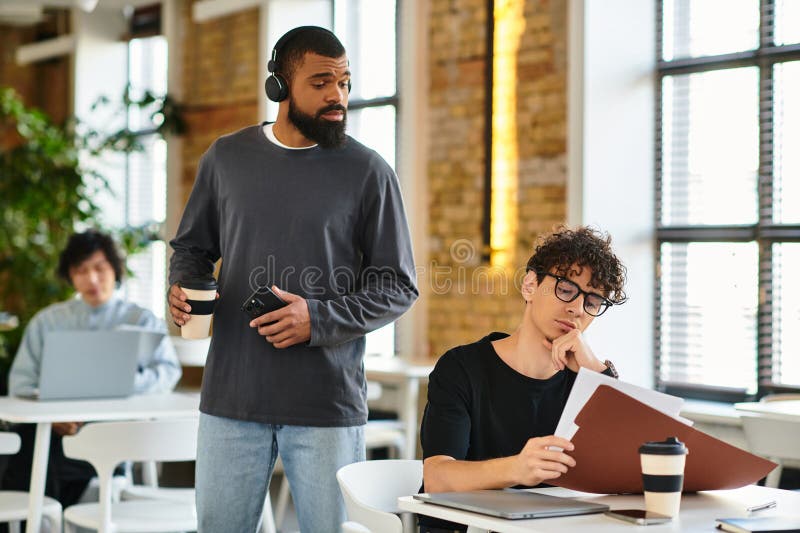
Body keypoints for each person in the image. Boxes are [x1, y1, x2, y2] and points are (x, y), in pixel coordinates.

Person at [167, 26, 418, 532]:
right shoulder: (226, 158)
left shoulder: (369, 172)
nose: (338, 95)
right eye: (321, 81)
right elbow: (193, 248)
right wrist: (182, 290)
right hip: (231, 400)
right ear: (280, 86)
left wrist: (317, 318)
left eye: (344, 82)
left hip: (325, 403)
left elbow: (398, 284)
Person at [418, 226, 627, 533]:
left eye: (592, 301)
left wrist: (595, 368)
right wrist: (517, 468)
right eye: (566, 290)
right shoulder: (462, 368)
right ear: (530, 285)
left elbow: (630, 466)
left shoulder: (588, 380)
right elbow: (437, 477)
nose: (577, 309)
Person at [2, 229, 181, 508]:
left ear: (115, 269)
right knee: (34, 449)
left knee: (44, 464)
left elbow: (168, 372)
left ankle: (51, 516)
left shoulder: (141, 319)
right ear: (70, 275)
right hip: (57, 430)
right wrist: (55, 415)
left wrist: (123, 384)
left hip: (117, 428)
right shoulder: (47, 322)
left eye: (100, 268)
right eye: (81, 270)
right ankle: (44, 517)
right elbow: (21, 383)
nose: (92, 279)